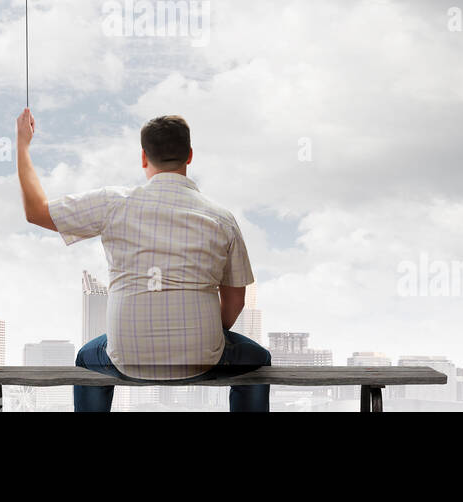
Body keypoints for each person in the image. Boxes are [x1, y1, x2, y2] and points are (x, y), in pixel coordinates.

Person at [15, 109, 271, 412]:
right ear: (189, 156)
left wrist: (23, 143)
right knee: (258, 360)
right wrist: (209, 336)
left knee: (87, 359)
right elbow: (235, 300)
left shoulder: (113, 203)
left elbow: (36, 212)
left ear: (143, 157)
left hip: (126, 357)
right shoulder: (221, 218)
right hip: (203, 357)